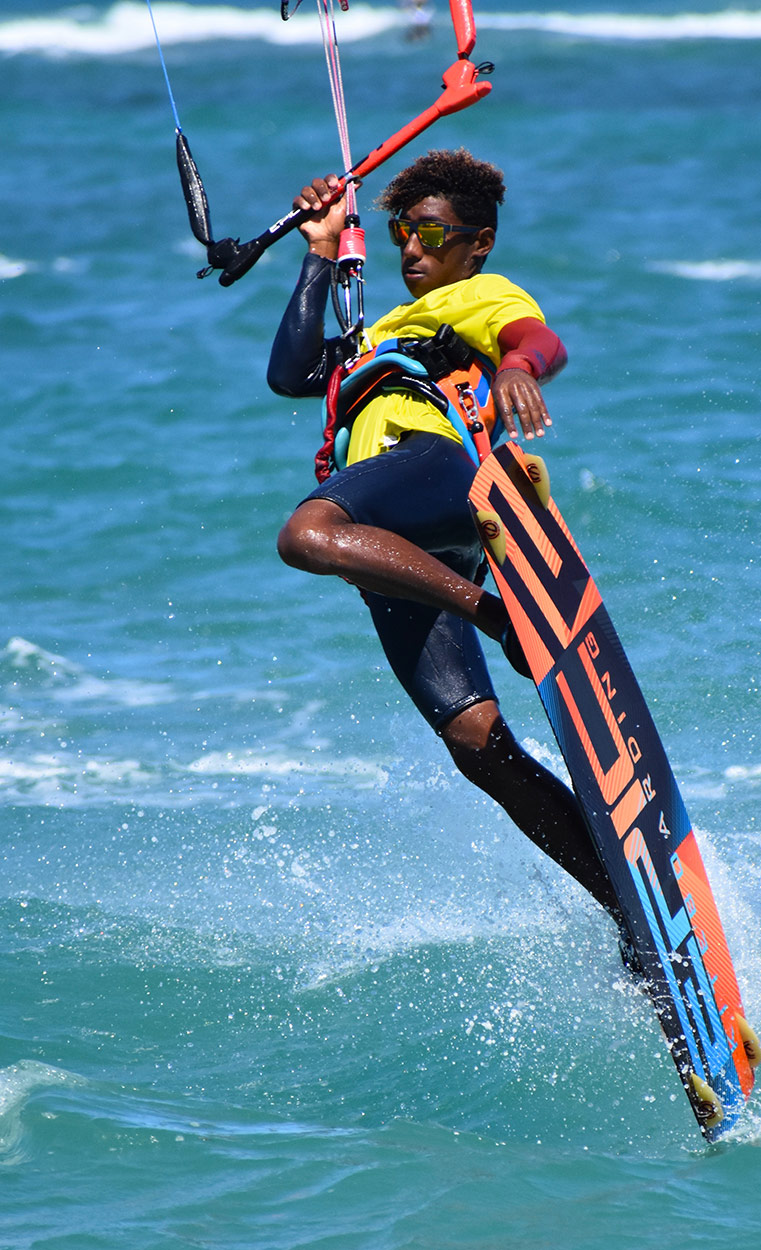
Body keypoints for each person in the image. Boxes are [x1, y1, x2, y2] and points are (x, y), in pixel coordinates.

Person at [268, 148, 623, 933]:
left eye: (430, 233)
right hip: (399, 546)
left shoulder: (477, 294)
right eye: (400, 232)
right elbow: (291, 374)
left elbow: (538, 338)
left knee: (306, 533)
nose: (410, 249)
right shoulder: (379, 332)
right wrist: (321, 252)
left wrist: (518, 368)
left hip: (431, 471)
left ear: (477, 241)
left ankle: (499, 620)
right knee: (474, 740)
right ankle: (627, 912)